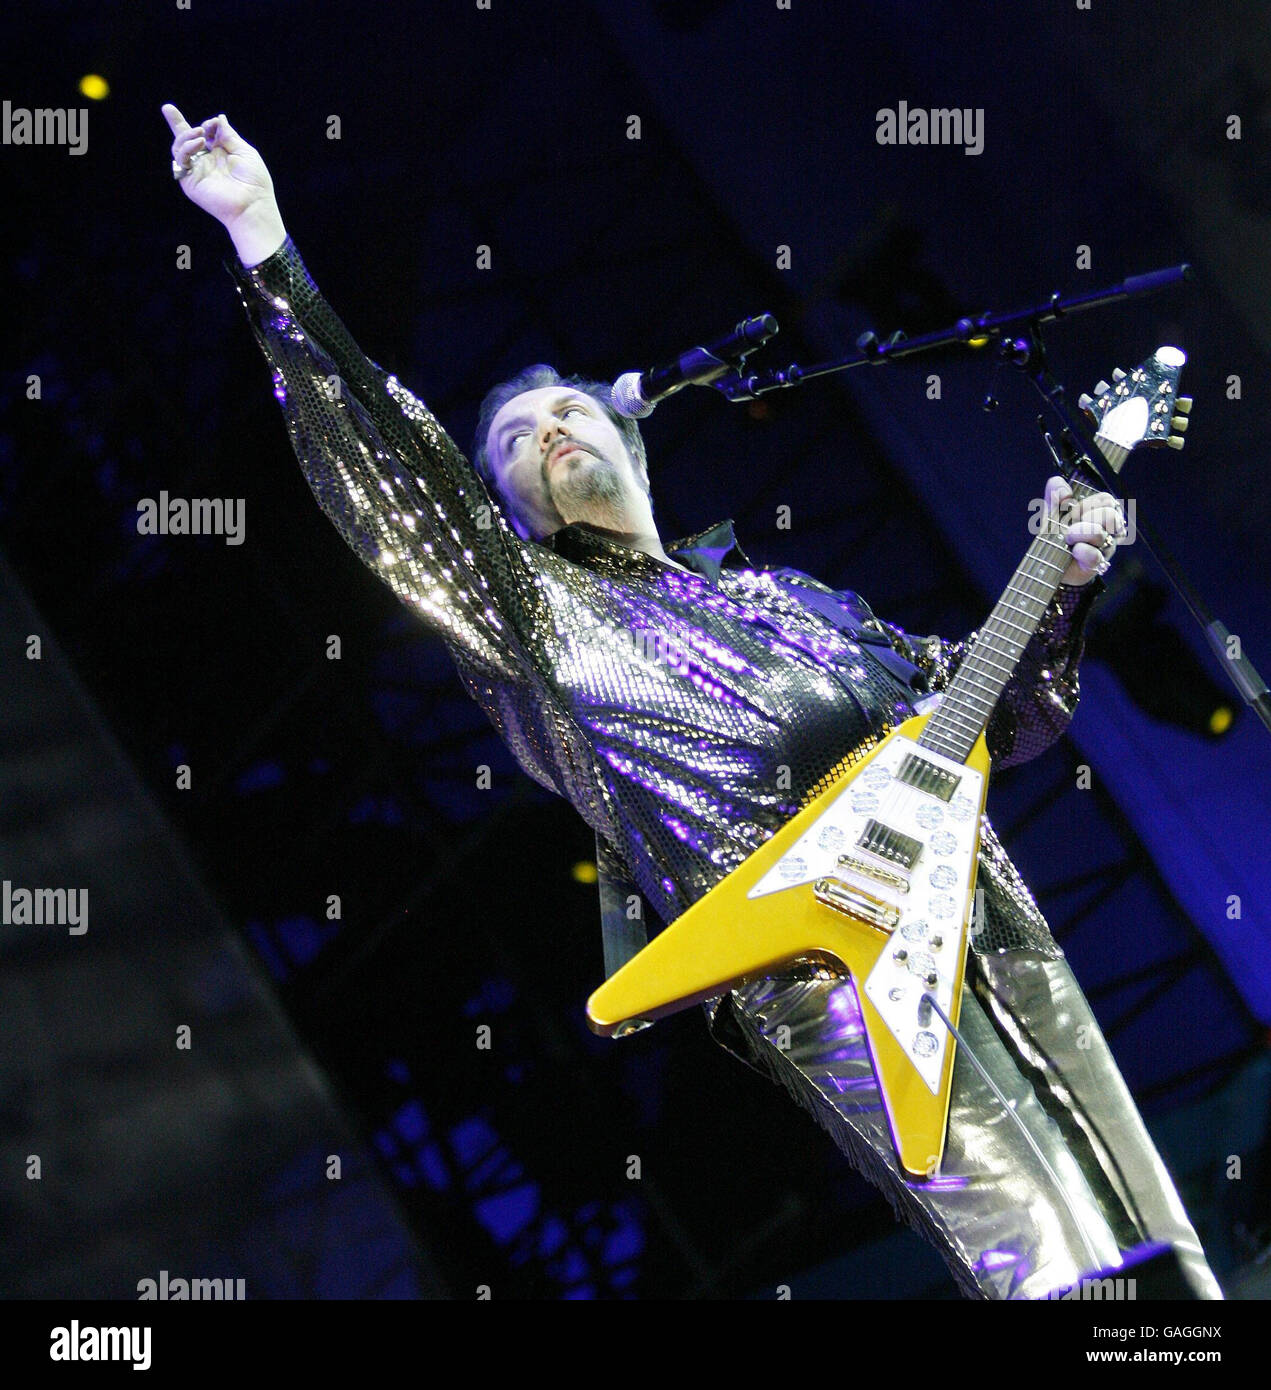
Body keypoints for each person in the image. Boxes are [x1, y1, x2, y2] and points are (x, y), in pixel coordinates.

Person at [162, 103, 1222, 1300]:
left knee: (1147, 1225)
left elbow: (1005, 718)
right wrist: (263, 237)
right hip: (817, 962)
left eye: (563, 408)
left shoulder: (799, 600)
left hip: (985, 909)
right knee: (1044, 1248)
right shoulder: (529, 611)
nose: (545, 427)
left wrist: (1069, 586)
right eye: (511, 439)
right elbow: (391, 469)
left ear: (631, 448)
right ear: (502, 511)